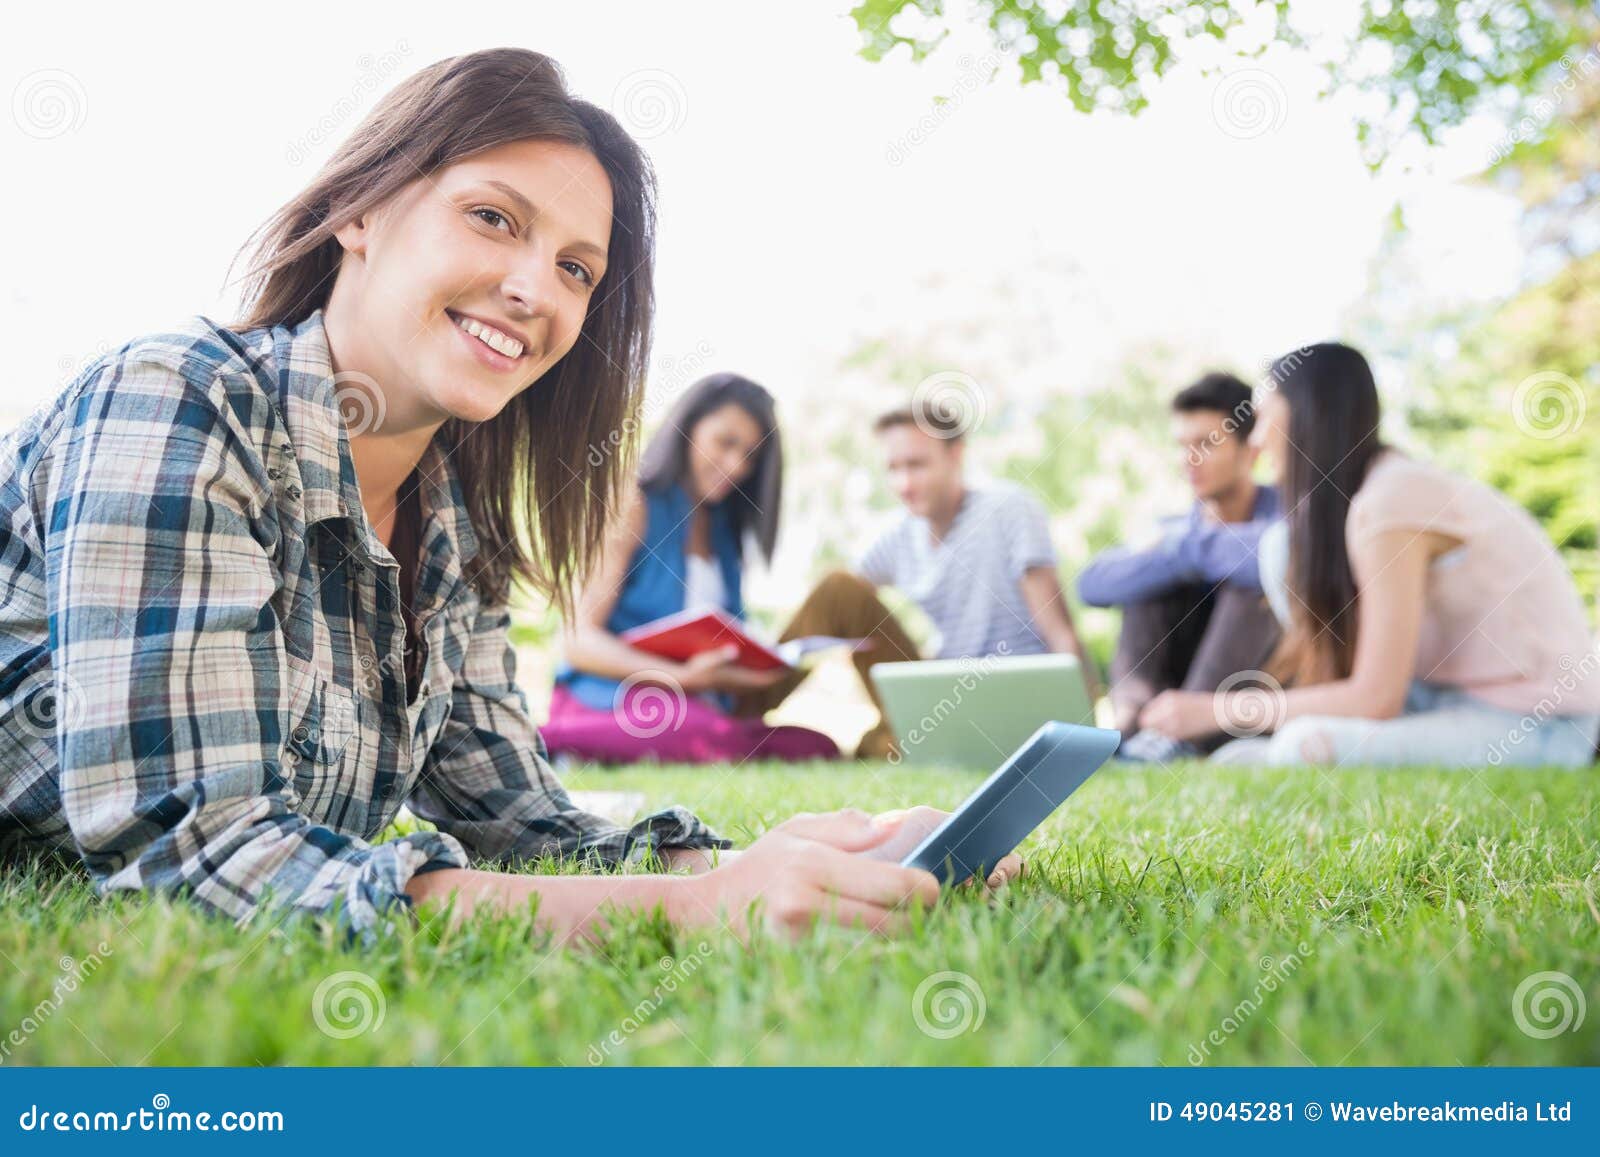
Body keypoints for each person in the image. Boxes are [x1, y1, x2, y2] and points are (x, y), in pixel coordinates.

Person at [0, 48, 1019, 948]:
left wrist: (792, 859)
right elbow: (199, 860)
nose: (536, 290)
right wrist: (697, 910)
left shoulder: (456, 519)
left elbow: (521, 818)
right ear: (359, 210)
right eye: (493, 217)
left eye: (577, 268)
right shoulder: (177, 402)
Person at [1139, 343, 1600, 768]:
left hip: (1540, 722)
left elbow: (1377, 698)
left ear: (1308, 416)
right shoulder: (1361, 503)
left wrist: (1213, 711)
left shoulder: (1392, 498)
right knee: (1281, 549)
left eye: (1263, 418)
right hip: (1440, 698)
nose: (1255, 440)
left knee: (1302, 745)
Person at [543, 373, 844, 764]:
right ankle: (548, 739)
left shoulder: (724, 530)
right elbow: (577, 640)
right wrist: (682, 678)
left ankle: (622, 747)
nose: (736, 466)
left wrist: (748, 669)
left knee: (817, 745)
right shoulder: (631, 503)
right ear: (687, 428)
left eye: (750, 455)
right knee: (699, 731)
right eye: (725, 442)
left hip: (697, 706)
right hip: (610, 696)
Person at [843, 399, 1101, 758]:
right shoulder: (899, 536)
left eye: (916, 465)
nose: (904, 484)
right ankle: (764, 690)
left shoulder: (1008, 508)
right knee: (836, 588)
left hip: (1019, 693)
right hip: (948, 698)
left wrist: (1085, 729)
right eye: (893, 468)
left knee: (881, 747)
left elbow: (1060, 631)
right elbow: (841, 600)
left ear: (956, 455)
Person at [1076, 373, 1282, 762]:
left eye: (1206, 444)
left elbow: (1284, 561)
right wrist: (1183, 553)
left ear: (1250, 451)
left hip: (1253, 696)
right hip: (1167, 689)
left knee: (1250, 583)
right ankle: (1132, 730)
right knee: (1146, 587)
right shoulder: (1172, 532)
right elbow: (1091, 585)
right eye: (1182, 446)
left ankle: (1185, 735)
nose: (1189, 460)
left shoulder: (1286, 516)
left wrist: (1184, 548)